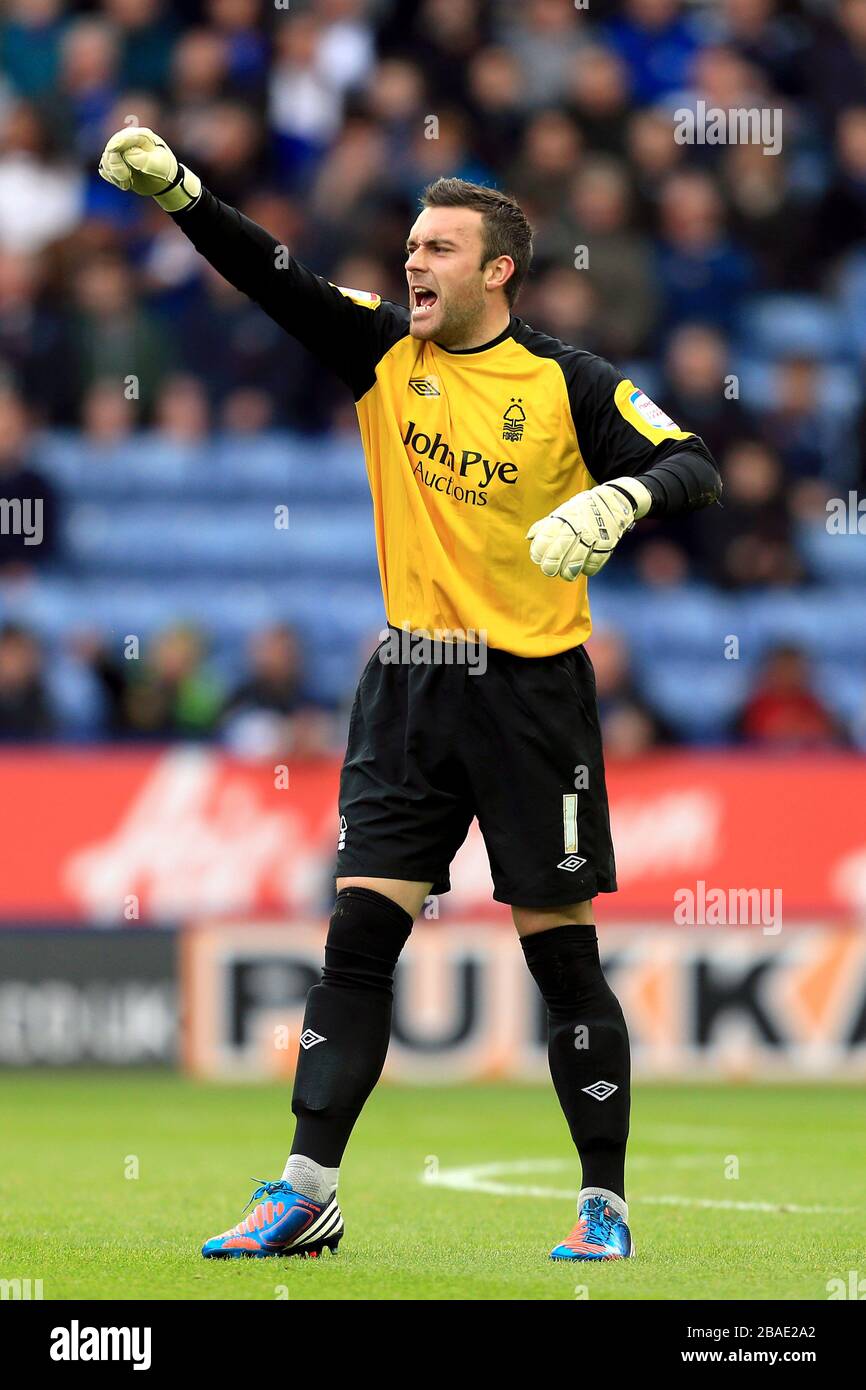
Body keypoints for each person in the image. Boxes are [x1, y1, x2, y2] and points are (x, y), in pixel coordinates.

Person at [98, 125, 721, 1263]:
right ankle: (306, 1189)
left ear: (498, 270)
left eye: (438, 247)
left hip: (533, 697)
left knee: (560, 960)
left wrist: (619, 503)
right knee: (355, 941)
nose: (413, 264)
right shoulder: (384, 352)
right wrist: (183, 194)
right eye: (408, 246)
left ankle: (603, 1203)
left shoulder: (566, 383)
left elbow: (692, 459)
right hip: (408, 687)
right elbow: (268, 272)